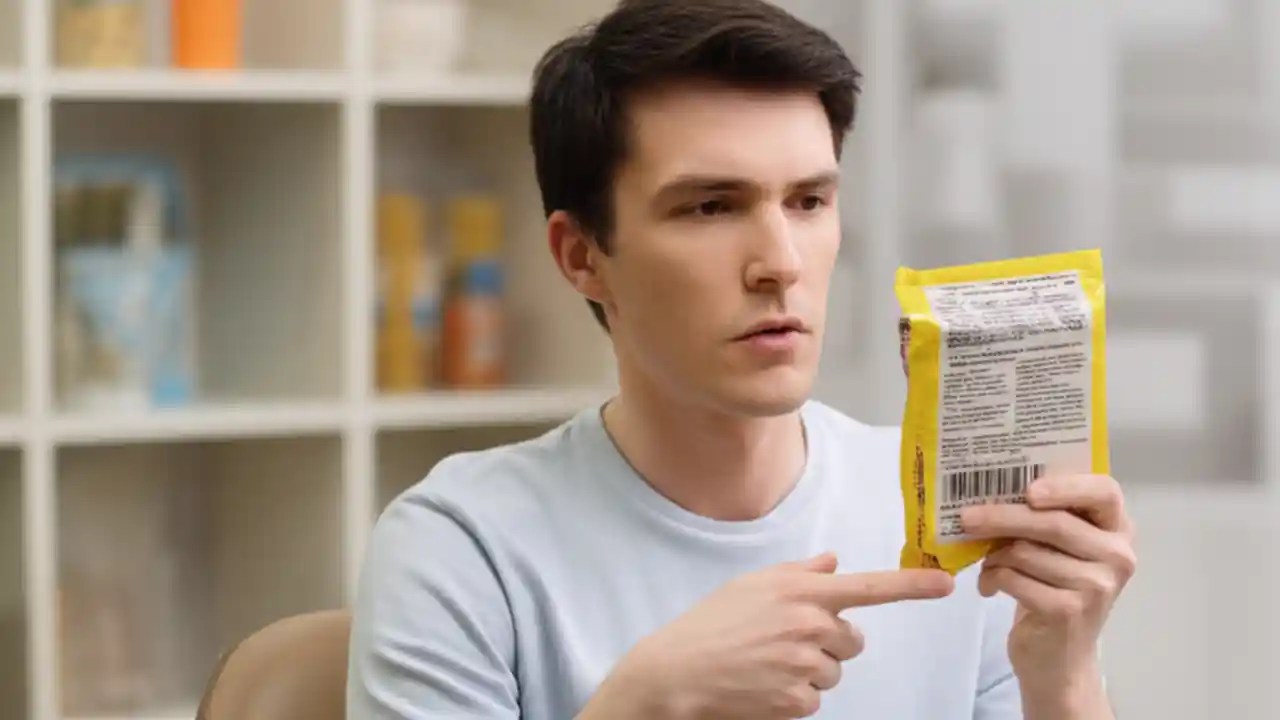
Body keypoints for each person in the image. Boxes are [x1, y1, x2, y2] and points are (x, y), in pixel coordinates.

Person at [346, 0, 1138, 717]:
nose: (780, 263)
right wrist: (645, 702)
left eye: (808, 201)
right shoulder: (463, 545)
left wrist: (1064, 674)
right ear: (582, 256)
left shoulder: (956, 517)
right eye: (711, 207)